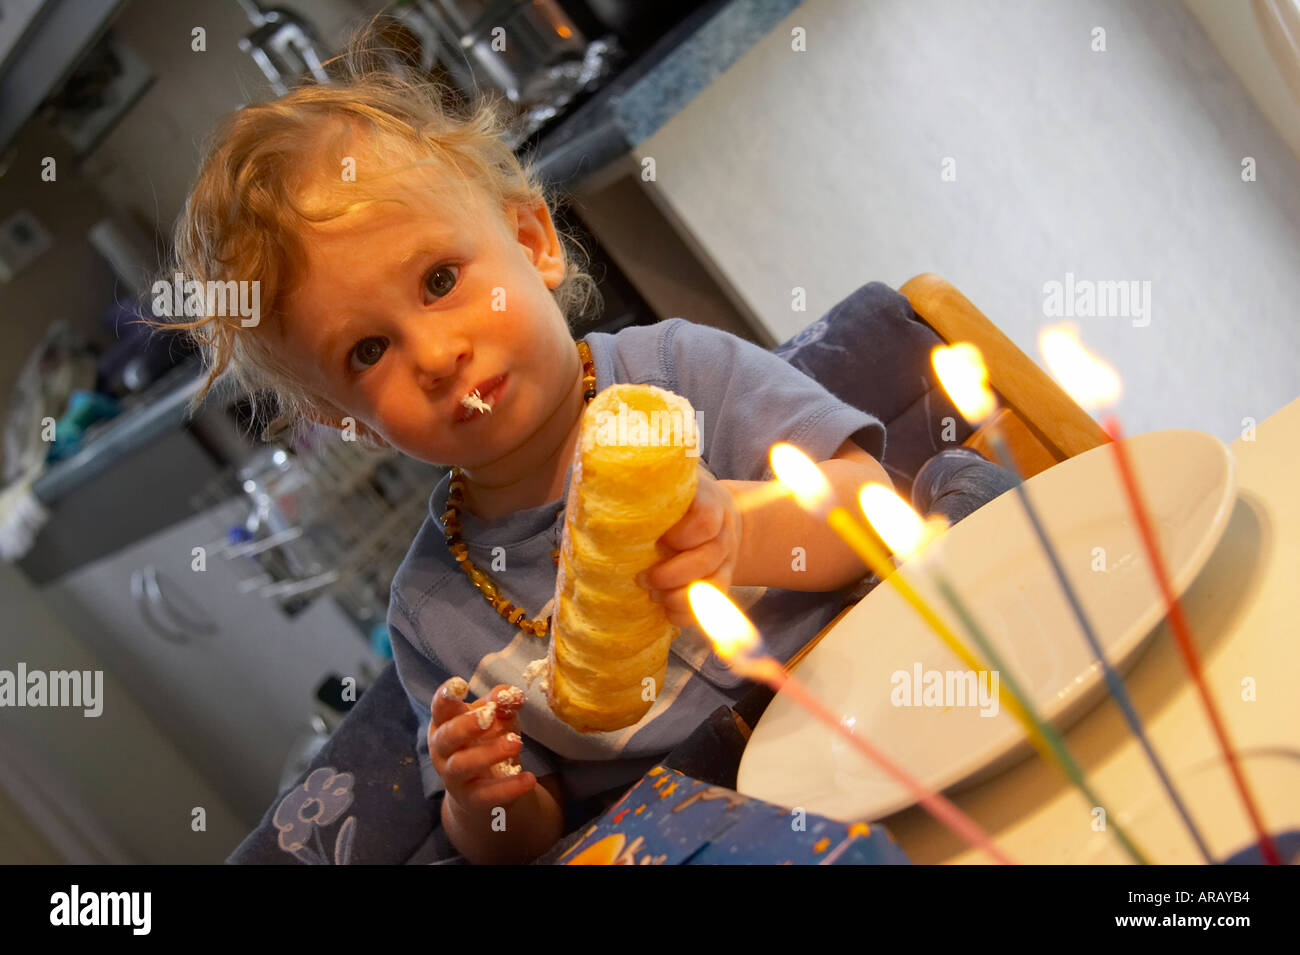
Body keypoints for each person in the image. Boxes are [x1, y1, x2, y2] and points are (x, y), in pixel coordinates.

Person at [147, 26, 970, 866]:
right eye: (368, 351)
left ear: (534, 240)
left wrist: (744, 530)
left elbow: (869, 509)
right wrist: (485, 797)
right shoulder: (435, 607)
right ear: (348, 420)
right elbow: (532, 838)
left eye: (439, 280)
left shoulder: (677, 372)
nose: (435, 357)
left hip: (886, 704)